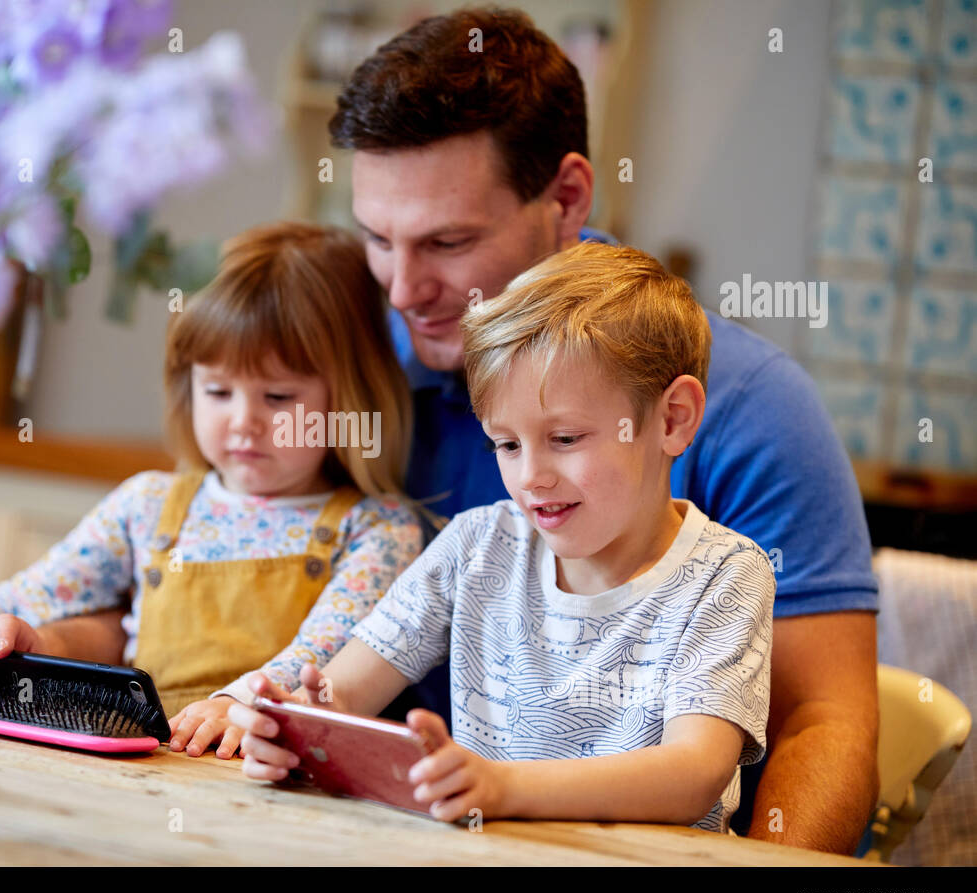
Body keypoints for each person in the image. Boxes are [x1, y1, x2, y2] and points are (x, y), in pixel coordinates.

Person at [322, 7, 878, 852]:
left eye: (447, 241)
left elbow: (821, 725)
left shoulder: (754, 408)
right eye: (375, 240)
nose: (402, 291)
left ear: (568, 197)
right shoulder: (354, 371)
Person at [231, 242, 774, 831]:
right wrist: (297, 732)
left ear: (672, 419)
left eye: (565, 439)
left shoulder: (727, 574)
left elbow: (692, 776)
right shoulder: (476, 546)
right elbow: (344, 692)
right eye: (507, 445)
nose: (531, 478)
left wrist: (504, 786)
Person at [0, 221, 423, 759]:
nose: (244, 421)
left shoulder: (377, 529)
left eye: (278, 397)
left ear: (350, 398)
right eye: (219, 391)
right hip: (140, 768)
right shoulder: (149, 505)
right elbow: (37, 592)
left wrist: (239, 705)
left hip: (262, 779)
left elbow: (324, 657)